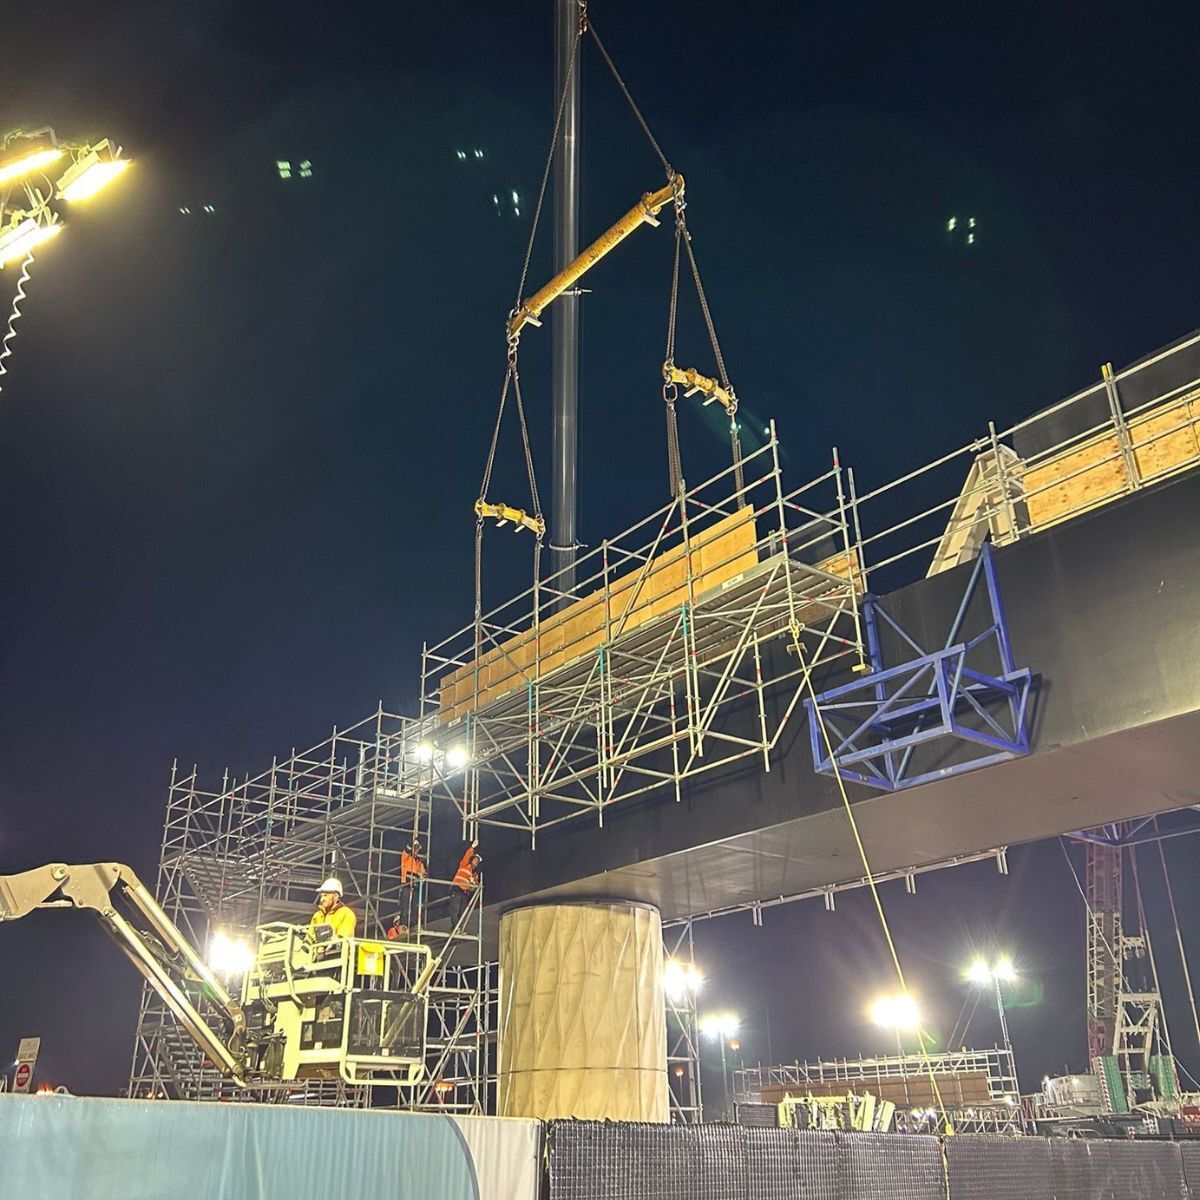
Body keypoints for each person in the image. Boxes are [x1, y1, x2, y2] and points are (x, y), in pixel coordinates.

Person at [309, 877, 356, 942]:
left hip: (336, 948)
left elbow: (341, 939)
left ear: (336, 896)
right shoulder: (317, 916)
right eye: (321, 896)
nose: (322, 899)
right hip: (319, 948)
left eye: (325, 895)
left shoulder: (347, 914)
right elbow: (309, 937)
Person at [399, 836, 428, 929]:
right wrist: (411, 842)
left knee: (414, 907)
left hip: (415, 887)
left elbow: (424, 873)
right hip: (406, 885)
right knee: (405, 906)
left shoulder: (419, 862)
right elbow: (407, 850)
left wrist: (422, 875)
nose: (416, 850)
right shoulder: (406, 858)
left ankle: (413, 924)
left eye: (417, 849)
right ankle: (403, 925)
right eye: (415, 848)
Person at [452, 841, 481, 923]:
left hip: (464, 892)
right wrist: (472, 847)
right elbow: (467, 856)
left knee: (462, 911)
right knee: (455, 909)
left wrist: (475, 887)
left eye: (478, 861)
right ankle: (455, 927)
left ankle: (459, 927)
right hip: (457, 888)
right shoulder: (465, 865)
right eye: (475, 860)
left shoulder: (475, 875)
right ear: (471, 860)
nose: (476, 862)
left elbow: (474, 886)